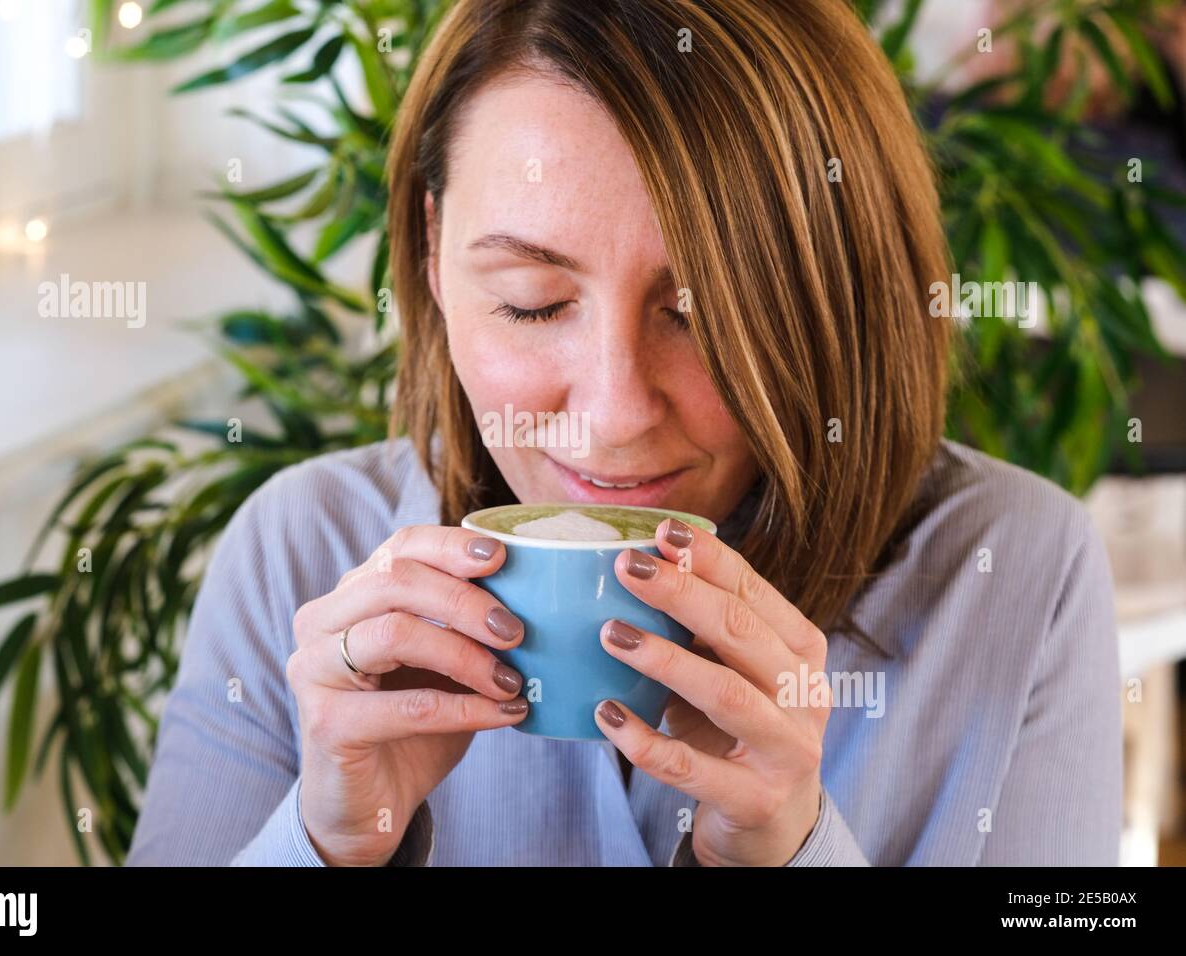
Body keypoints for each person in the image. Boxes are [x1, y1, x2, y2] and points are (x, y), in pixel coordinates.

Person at [127, 0, 1122, 866]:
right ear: (430, 254)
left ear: (838, 290)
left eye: (700, 310)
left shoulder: (1015, 575)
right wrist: (330, 844)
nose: (612, 414)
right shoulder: (296, 553)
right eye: (529, 302)